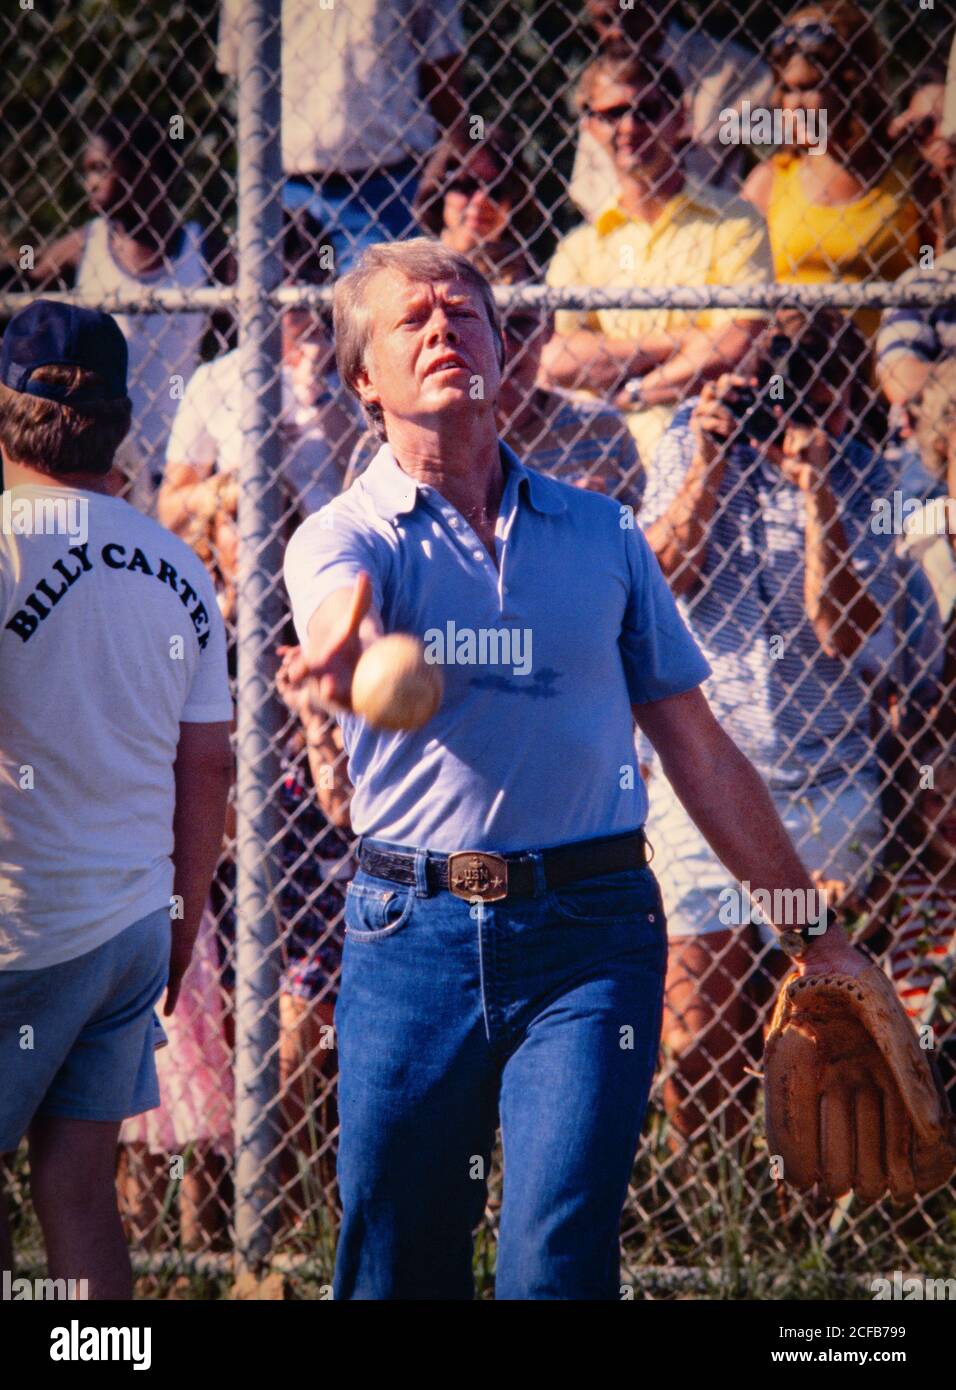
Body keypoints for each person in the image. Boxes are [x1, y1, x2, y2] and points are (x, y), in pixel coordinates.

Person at [280, 238, 868, 1301]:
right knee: (395, 1262)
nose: (444, 329)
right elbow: (335, 605)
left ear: (505, 349)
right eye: (411, 319)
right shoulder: (343, 532)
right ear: (363, 377)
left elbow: (694, 744)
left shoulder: (601, 531)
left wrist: (812, 934)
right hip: (410, 935)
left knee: (556, 1258)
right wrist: (340, 646)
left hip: (591, 929)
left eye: (465, 313)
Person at [0, 302, 233, 1298]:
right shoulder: (176, 564)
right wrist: (176, 928)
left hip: (21, 925)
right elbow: (208, 769)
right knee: (79, 1185)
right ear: (122, 421)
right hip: (131, 923)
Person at [640, 308, 893, 1143]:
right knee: (695, 1027)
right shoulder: (691, 440)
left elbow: (846, 631)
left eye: (815, 388)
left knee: (819, 1019)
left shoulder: (864, 477)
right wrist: (708, 469)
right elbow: (660, 578)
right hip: (705, 771)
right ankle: (707, 1202)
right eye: (774, 386)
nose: (786, 411)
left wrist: (820, 495)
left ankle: (806, 1216)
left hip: (825, 778)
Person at [543, 52, 772, 466]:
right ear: (591, 126)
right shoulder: (579, 246)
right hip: (605, 466)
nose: (630, 127)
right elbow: (557, 360)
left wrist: (634, 391)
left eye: (647, 110)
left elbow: (738, 344)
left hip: (712, 450)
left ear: (679, 117)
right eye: (612, 114)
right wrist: (683, 341)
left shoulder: (734, 221)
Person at [21, 110, 224, 512]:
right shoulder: (88, 245)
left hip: (180, 449)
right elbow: (25, 275)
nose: (90, 182)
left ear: (147, 170)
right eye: (87, 170)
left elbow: (230, 342)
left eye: (101, 168)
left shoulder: (203, 250)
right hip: (103, 451)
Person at [217, 0, 466, 273]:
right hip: (279, 182)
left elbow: (441, 64)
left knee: (380, 302)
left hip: (383, 184)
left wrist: (458, 151)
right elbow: (240, 64)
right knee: (283, 309)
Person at [742, 4, 920, 343]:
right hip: (792, 380)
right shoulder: (769, 181)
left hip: (889, 378)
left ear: (854, 85)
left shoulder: (909, 174)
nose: (795, 105)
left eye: (810, 86)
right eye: (787, 89)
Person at [569, 0, 772, 218]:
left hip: (710, 227)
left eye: (632, 13)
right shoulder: (600, 83)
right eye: (606, 20)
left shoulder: (731, 68)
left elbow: (792, 146)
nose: (619, 31)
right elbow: (586, 186)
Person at [496, 305, 643, 511]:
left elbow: (634, 529)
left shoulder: (600, 427)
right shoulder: (446, 437)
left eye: (520, 325)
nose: (505, 345)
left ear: (548, 326)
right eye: (490, 325)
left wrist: (604, 519)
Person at [413, 130, 537, 284]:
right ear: (439, 193)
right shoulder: (414, 272)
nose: (481, 199)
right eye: (467, 186)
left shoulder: (528, 282)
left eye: (496, 190)